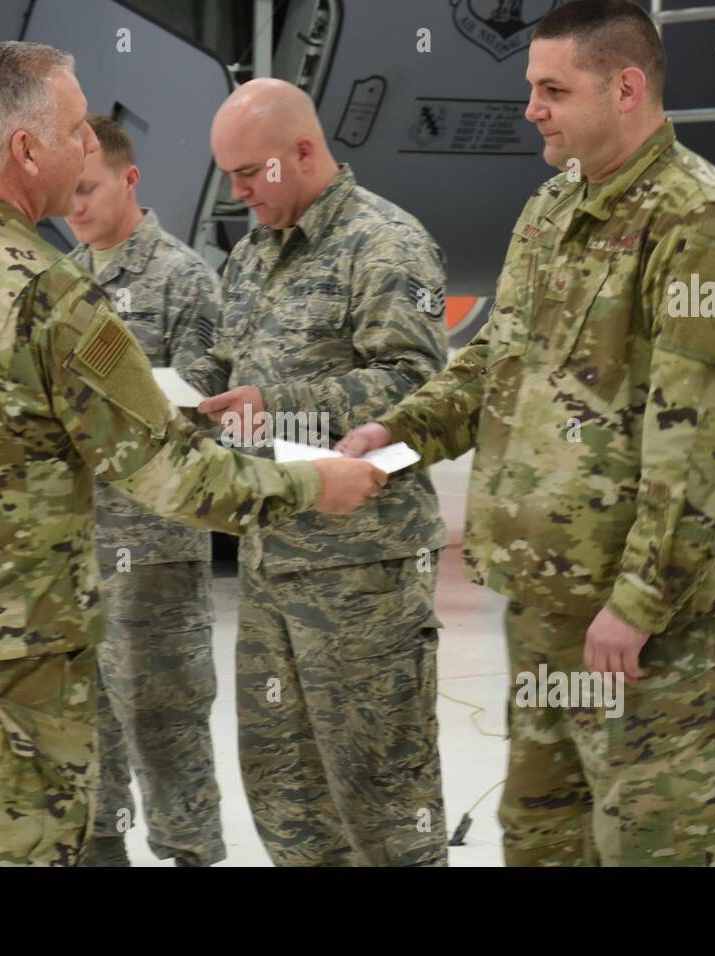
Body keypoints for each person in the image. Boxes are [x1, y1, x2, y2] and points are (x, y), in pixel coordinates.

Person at [0, 40, 384, 867]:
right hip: (12, 664)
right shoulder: (50, 293)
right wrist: (310, 484)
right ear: (27, 149)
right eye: (74, 129)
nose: (85, 145)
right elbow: (170, 471)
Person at [340, 0, 715, 866]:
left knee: (656, 841)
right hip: (541, 608)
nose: (530, 108)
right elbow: (492, 363)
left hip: (638, 633)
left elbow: (701, 442)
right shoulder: (551, 206)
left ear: (627, 88)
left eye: (551, 89)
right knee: (542, 835)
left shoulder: (700, 220)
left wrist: (638, 603)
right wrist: (395, 435)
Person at [183, 77, 450, 866]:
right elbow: (233, 372)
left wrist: (277, 403)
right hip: (271, 564)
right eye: (226, 175)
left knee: (383, 801)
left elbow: (417, 389)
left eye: (247, 173)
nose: (235, 193)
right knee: (285, 791)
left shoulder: (387, 244)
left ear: (304, 150)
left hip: (361, 573)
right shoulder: (252, 256)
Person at [64, 114, 225, 867]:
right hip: (76, 546)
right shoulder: (60, 281)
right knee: (87, 716)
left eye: (88, 189)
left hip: (154, 546)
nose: (75, 207)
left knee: (164, 720)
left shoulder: (182, 276)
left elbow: (201, 409)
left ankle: (191, 852)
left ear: (130, 179)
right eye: (65, 193)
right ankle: (102, 849)